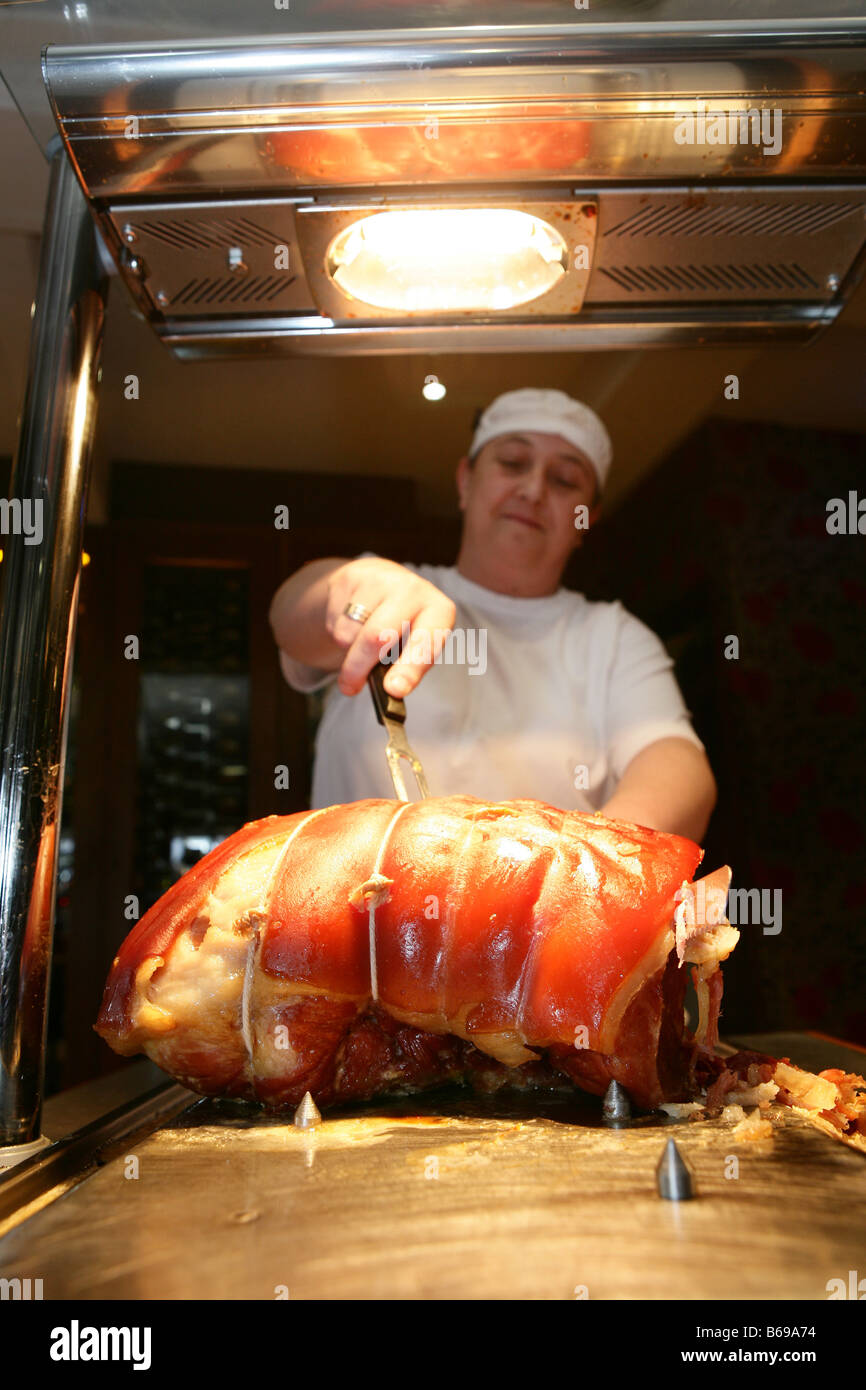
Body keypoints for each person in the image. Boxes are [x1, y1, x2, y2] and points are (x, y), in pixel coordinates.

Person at [269, 388, 717, 840]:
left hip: (547, 910)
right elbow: (291, 621)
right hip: (354, 905)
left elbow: (677, 767)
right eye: (513, 463)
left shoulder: (613, 636)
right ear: (466, 481)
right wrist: (344, 585)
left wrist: (583, 863)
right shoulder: (392, 595)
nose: (533, 490)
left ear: (587, 518)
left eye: (564, 479)